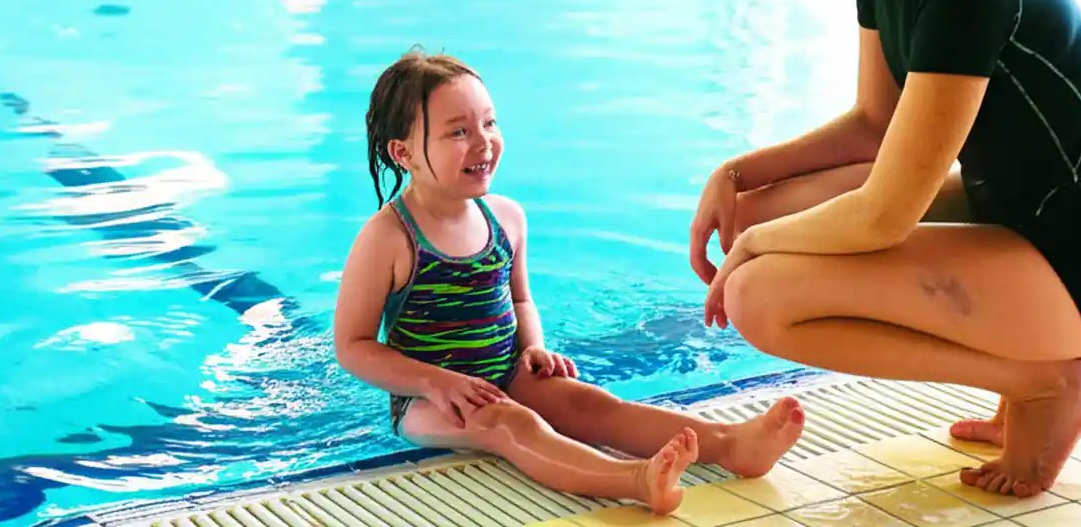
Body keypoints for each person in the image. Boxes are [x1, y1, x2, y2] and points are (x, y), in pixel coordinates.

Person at [692, 0, 1081, 499]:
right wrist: (734, 177)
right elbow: (876, 126)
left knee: (760, 295)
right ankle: (1030, 378)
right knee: (762, 209)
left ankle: (1045, 384)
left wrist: (758, 244)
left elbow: (884, 215)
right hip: (1013, 210)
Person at [334, 50, 805, 515]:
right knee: (511, 424)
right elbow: (353, 346)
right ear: (404, 153)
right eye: (458, 131)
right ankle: (634, 480)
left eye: (490, 124)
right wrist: (436, 383)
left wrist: (532, 348)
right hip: (428, 401)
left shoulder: (506, 219)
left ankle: (730, 444)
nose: (483, 142)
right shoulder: (390, 237)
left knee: (594, 406)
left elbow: (519, 298)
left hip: (507, 373)